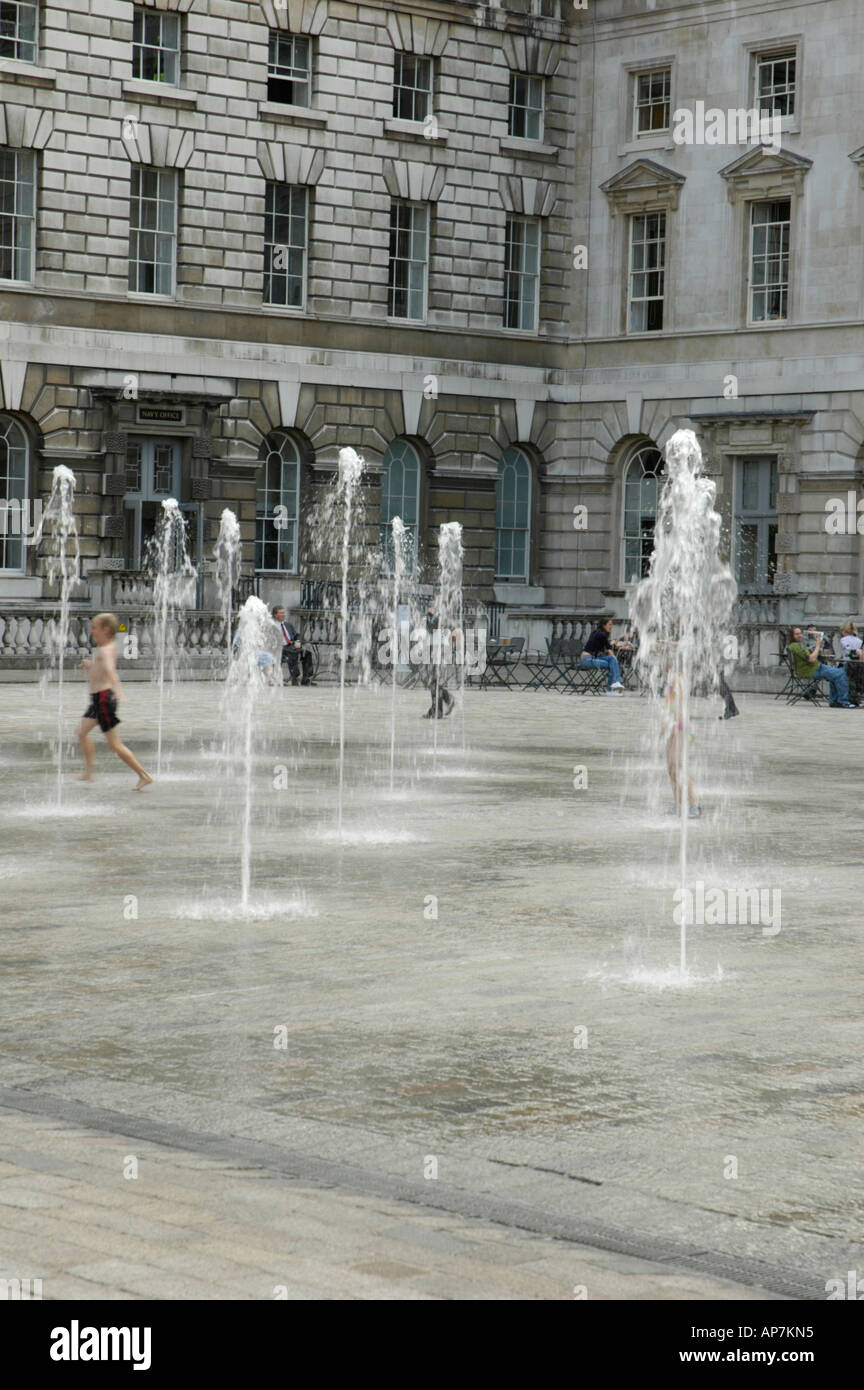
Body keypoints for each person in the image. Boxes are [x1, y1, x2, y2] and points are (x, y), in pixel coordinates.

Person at [77, 612, 153, 789]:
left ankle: (144, 775)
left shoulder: (104, 650)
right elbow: (102, 670)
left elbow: (111, 671)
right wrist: (90, 666)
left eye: (95, 628)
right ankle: (88, 773)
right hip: (97, 700)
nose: (92, 632)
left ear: (106, 630)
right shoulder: (106, 648)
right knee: (81, 733)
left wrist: (118, 690)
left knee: (115, 744)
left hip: (104, 700)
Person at [788, 626, 856, 708]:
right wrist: (817, 645)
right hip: (812, 670)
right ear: (792, 636)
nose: (800, 635)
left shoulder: (796, 645)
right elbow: (811, 659)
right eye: (797, 634)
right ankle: (842, 701)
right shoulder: (796, 646)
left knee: (837, 674)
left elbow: (810, 656)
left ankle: (835, 701)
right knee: (841, 673)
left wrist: (819, 646)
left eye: (800, 633)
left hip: (815, 667)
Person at [664, 669, 700, 818]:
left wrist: (674, 725)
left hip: (682, 729)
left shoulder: (678, 680)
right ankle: (678, 804)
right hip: (673, 729)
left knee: (679, 768)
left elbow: (679, 707)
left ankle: (693, 805)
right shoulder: (671, 680)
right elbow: (669, 708)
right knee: (671, 769)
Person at [580, 618, 626, 694]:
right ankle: (612, 687)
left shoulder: (598, 633)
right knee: (612, 663)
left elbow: (605, 649)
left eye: (612, 624)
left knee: (612, 661)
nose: (611, 626)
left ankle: (614, 685)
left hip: (594, 658)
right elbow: (609, 649)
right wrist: (615, 660)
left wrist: (613, 659)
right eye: (610, 624)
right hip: (587, 660)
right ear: (604, 625)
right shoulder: (601, 634)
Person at [272, 606, 313, 686]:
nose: (284, 615)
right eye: (281, 613)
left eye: (284, 613)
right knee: (291, 653)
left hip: (291, 646)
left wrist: (297, 641)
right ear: (275, 615)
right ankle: (295, 678)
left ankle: (306, 678)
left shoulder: (287, 625)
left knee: (307, 653)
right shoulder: (272, 626)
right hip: (280, 648)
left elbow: (297, 635)